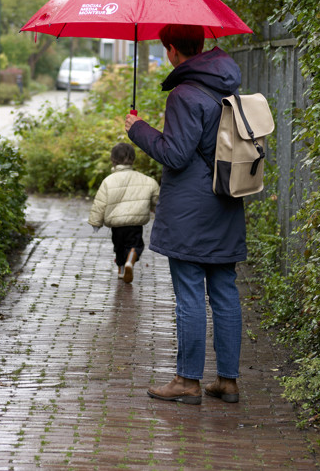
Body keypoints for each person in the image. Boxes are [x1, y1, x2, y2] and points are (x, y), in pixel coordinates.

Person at [125, 23, 245, 406]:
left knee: (190, 293)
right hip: (226, 201)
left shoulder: (184, 94)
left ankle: (187, 381)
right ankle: (227, 381)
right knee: (224, 291)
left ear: (173, 49)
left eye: (166, 49)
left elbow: (175, 154)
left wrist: (138, 129)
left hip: (191, 212)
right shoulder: (227, 88)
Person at [88, 142, 159, 284]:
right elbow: (157, 199)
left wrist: (96, 222)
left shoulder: (108, 181)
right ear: (133, 159)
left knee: (119, 247)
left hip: (116, 225)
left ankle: (121, 270)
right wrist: (156, 210)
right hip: (135, 223)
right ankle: (130, 262)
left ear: (113, 160)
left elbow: (100, 203)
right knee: (135, 245)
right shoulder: (147, 180)